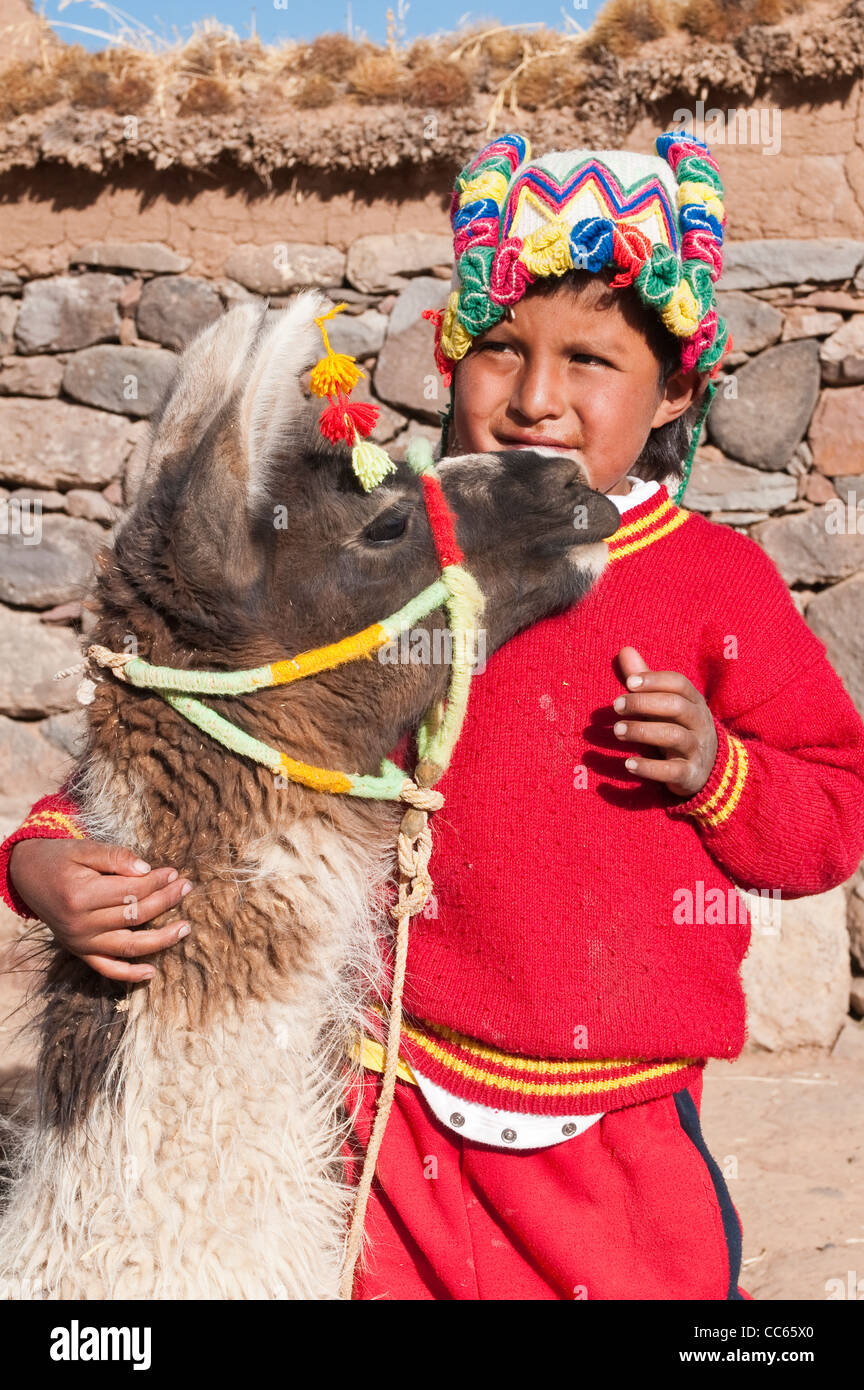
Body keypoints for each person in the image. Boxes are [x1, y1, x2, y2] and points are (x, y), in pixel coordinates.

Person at [4, 130, 864, 1300]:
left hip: (612, 1139)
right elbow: (214, 729)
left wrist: (721, 771)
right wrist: (47, 857)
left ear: (676, 390)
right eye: (499, 350)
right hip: (387, 1111)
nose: (536, 398)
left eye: (591, 361)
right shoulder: (398, 553)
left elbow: (827, 813)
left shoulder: (716, 588)